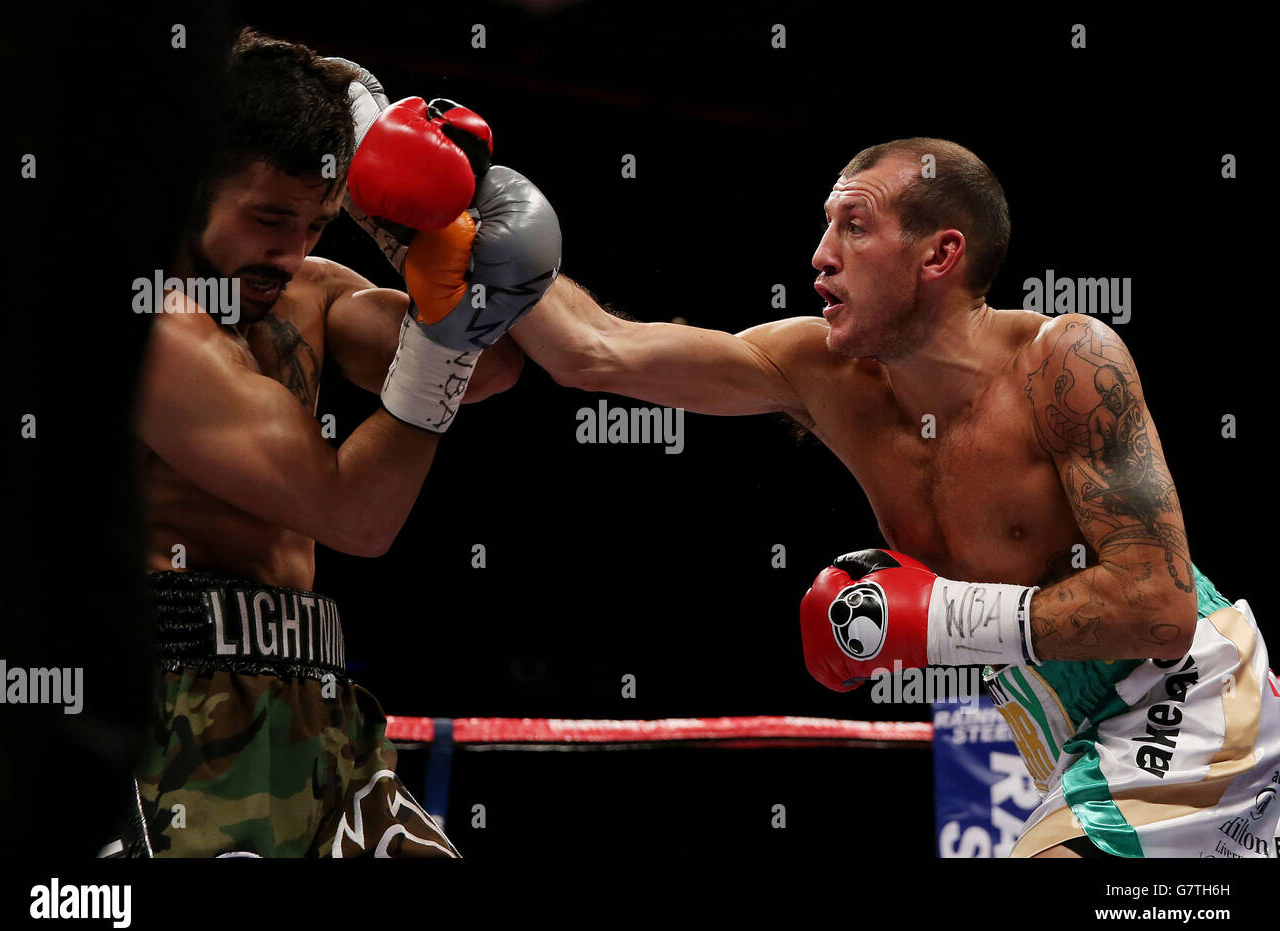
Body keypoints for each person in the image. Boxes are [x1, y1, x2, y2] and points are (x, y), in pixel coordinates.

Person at [508, 137, 1279, 858]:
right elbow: (596, 353)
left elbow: (1159, 609)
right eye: (824, 226)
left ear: (940, 254)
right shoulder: (818, 371)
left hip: (1186, 692)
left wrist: (932, 621)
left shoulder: (1065, 364)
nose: (820, 256)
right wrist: (464, 215)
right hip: (1063, 734)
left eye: (855, 226)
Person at [118, 29, 558, 857]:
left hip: (320, 709)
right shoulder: (151, 327)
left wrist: (408, 220)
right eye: (268, 218)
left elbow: (495, 359)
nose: (289, 251)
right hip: (171, 709)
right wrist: (444, 339)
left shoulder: (313, 293)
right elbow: (355, 515)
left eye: (319, 222)